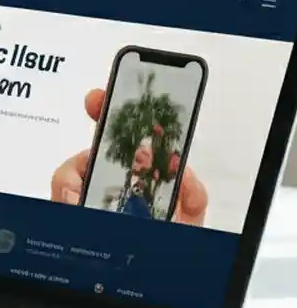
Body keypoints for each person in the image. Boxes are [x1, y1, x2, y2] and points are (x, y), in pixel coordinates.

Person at [50, 88, 209, 226]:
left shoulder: (162, 205)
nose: (143, 149)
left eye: (153, 144)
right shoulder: (113, 194)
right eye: (141, 139)